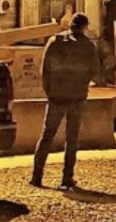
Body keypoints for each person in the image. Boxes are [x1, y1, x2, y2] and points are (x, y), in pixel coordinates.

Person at [31, 13, 101, 191]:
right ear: (84, 27)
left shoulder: (55, 42)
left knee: (47, 135)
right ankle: (66, 178)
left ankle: (37, 176)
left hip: (56, 97)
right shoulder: (88, 46)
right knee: (72, 139)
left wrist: (49, 91)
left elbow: (45, 69)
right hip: (76, 98)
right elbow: (94, 71)